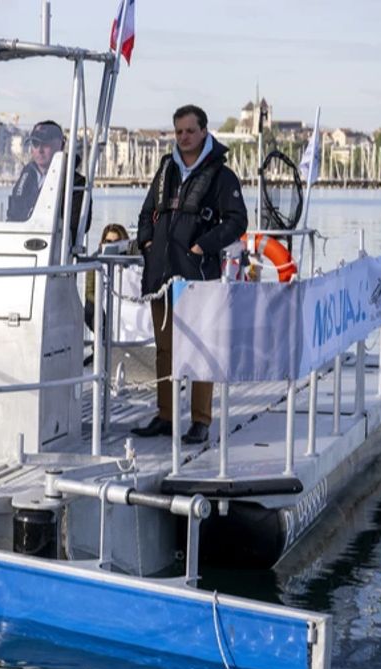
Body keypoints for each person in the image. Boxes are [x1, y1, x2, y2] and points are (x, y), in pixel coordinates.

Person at [131, 104, 248, 444]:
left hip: (197, 276)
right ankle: (165, 415)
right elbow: (146, 213)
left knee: (200, 350)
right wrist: (148, 244)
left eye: (190, 131)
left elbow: (238, 221)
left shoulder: (222, 176)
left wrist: (202, 246)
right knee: (164, 350)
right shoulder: (166, 169)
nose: (184, 137)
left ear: (204, 131)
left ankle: (200, 420)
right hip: (160, 274)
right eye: (179, 131)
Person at [7, 120, 91, 246]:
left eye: (46, 144)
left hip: (54, 250)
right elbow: (12, 216)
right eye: (35, 143)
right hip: (20, 246)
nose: (40, 149)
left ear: (61, 145)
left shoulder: (76, 183)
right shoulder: (25, 179)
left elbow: (76, 227)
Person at [84, 223, 132, 333]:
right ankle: (103, 339)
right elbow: (89, 291)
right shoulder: (95, 259)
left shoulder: (131, 261)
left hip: (124, 303)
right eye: (108, 242)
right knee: (91, 310)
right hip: (99, 302)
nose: (112, 245)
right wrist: (103, 302)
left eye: (116, 242)